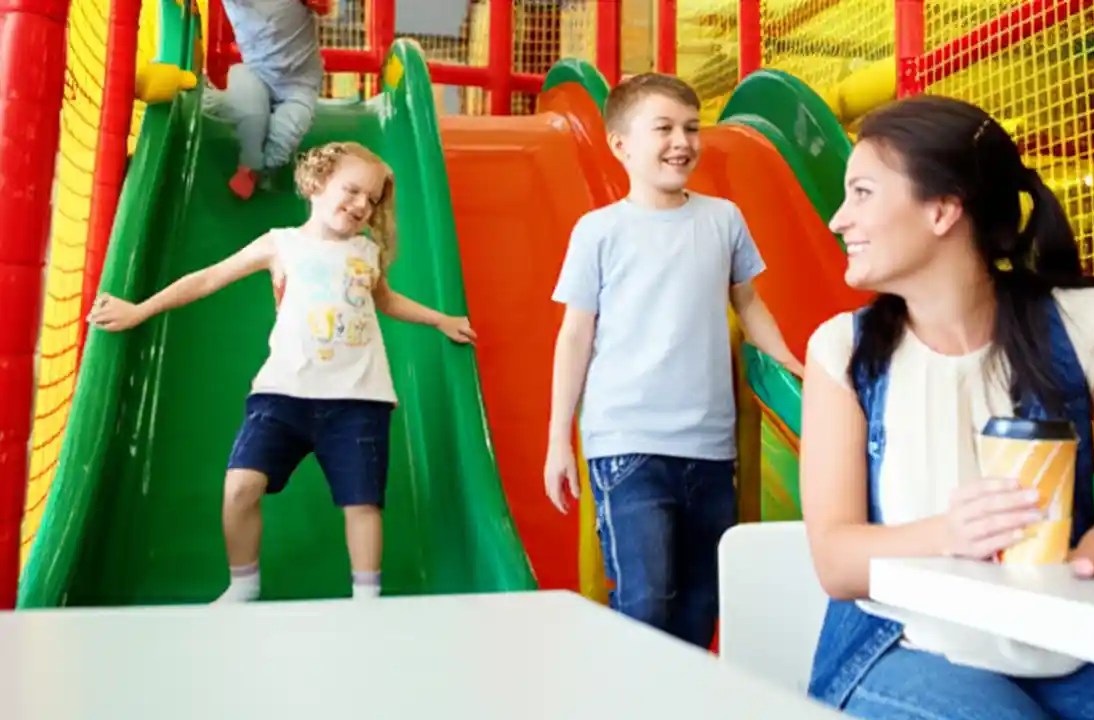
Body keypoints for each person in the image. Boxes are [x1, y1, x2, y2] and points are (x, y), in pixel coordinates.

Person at [798, 94, 1094, 718]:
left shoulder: (1084, 322)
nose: (837, 219)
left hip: (1064, 639)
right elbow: (835, 560)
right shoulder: (842, 351)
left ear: (942, 209)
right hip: (898, 643)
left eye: (862, 193)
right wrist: (949, 535)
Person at [89, 141, 477, 602]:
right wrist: (139, 311)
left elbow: (386, 301)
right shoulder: (281, 243)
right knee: (240, 487)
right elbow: (210, 277)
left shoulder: (365, 252)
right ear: (316, 184)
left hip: (359, 398)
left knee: (362, 502)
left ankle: (368, 601)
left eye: (370, 200)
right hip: (283, 392)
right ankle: (244, 585)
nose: (360, 205)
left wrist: (440, 320)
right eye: (351, 190)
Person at [542, 73, 803, 648]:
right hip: (627, 443)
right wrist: (560, 437)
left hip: (709, 448)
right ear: (620, 145)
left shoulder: (723, 219)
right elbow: (574, 336)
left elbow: (749, 302)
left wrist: (789, 361)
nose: (681, 141)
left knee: (700, 605)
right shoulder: (599, 231)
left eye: (691, 127)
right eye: (663, 128)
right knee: (645, 600)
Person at [203, 0, 331, 200]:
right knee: (250, 116)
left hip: (300, 83)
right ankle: (249, 164)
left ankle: (263, 170)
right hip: (256, 73)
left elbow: (324, 7)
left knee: (288, 130)